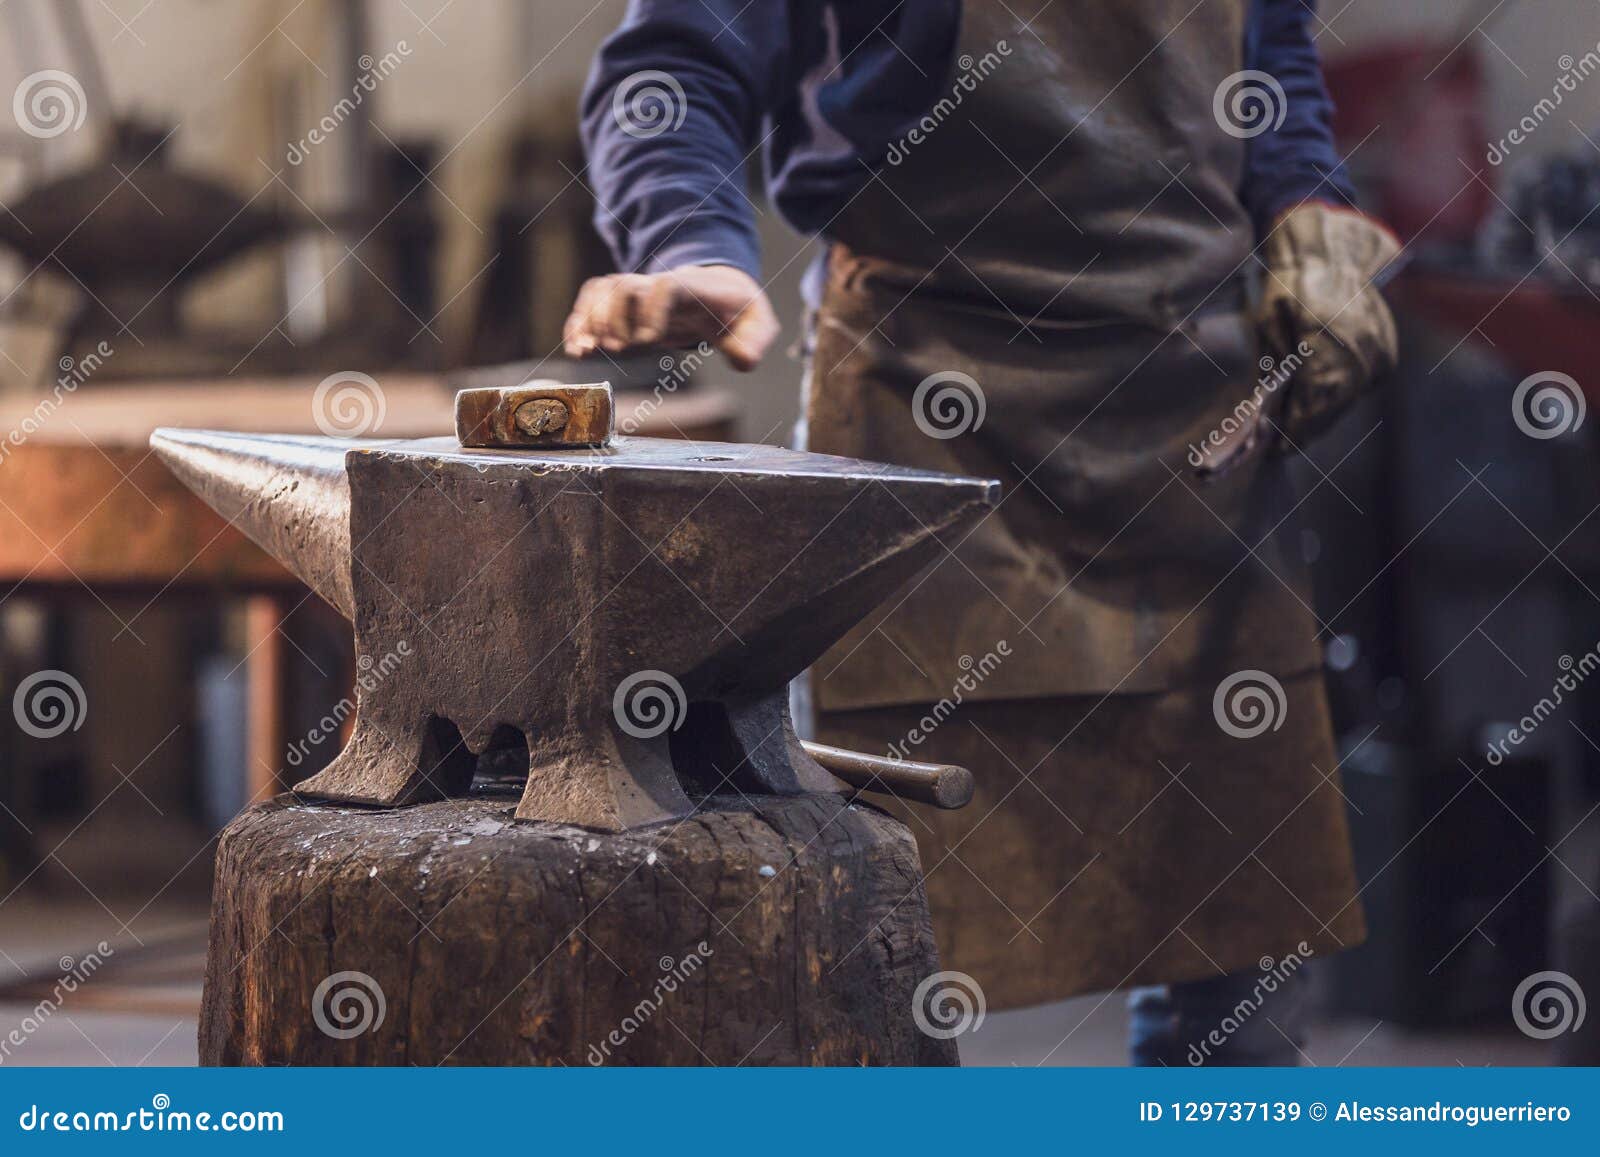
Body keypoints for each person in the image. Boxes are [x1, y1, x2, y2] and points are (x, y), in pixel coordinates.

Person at [566, 0, 1400, 1065]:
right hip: (936, 423)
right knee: (883, 981)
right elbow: (681, 60)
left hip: (1194, 432)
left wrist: (1306, 215)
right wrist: (687, 237)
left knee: (1241, 995)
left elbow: (1264, 57)